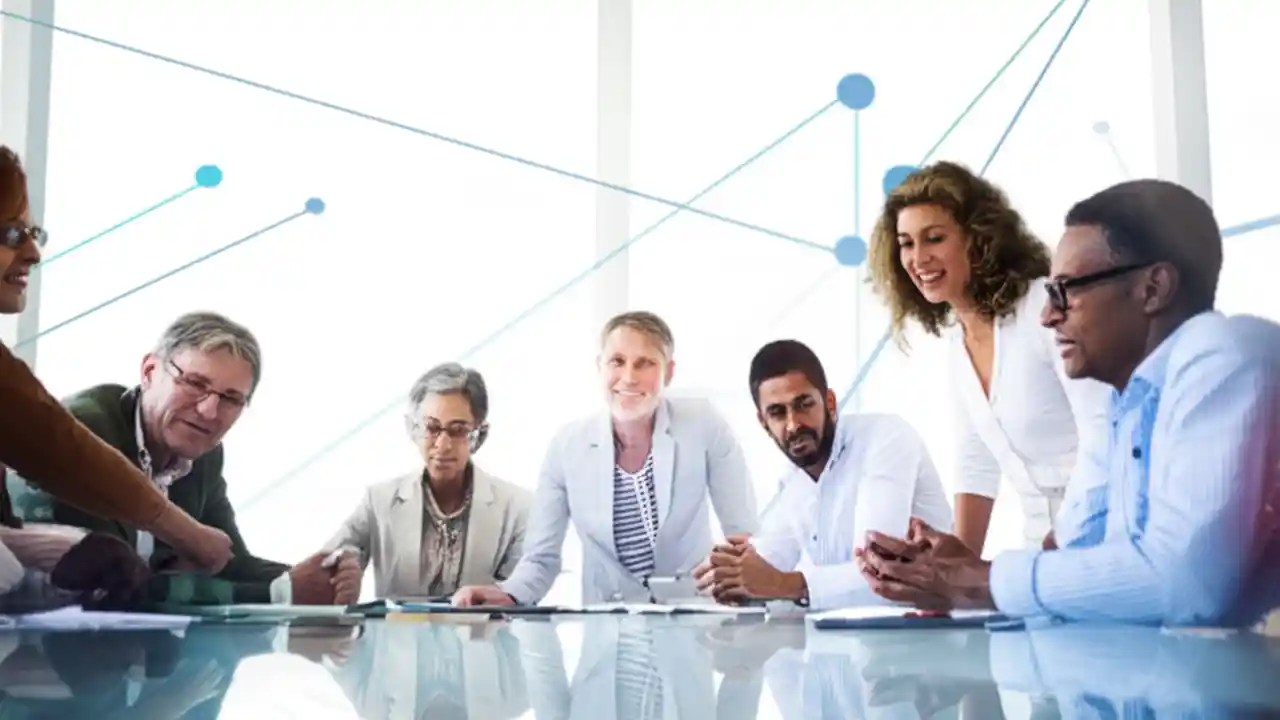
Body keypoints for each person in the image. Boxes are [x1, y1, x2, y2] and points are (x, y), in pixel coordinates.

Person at [857, 179, 1280, 627]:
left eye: (1065, 290)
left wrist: (982, 580)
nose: (1048, 313)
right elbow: (998, 479)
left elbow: (1185, 581)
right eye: (906, 243)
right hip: (1085, 577)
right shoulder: (1132, 398)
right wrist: (953, 570)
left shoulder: (1222, 356)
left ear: (1153, 288)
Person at [10, 311, 358, 604]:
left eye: (231, 399)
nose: (209, 412)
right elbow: (114, 587)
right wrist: (279, 592)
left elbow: (226, 561)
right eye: (194, 383)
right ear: (149, 372)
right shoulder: (86, 430)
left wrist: (318, 575)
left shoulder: (202, 452)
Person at [0, 144, 232, 579]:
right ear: (150, 372)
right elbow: (58, 447)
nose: (32, 253)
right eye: (12, 235)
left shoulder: (205, 460)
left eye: (33, 234)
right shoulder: (92, 419)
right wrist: (184, 535)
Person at [867, 161, 1110, 553]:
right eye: (907, 243)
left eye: (934, 238)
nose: (918, 258)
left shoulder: (1042, 307)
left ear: (978, 239)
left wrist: (1069, 533)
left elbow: (1105, 429)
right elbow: (975, 462)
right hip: (1041, 545)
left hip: (1107, 532)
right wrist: (953, 560)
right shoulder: (958, 344)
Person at [453, 311, 759, 606]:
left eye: (645, 363)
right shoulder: (567, 446)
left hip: (692, 621)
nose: (629, 377)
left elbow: (742, 536)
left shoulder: (703, 423)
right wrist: (507, 593)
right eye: (617, 361)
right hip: (607, 627)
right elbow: (540, 558)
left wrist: (741, 589)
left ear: (669, 372)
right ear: (600, 366)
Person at [694, 340, 952, 609]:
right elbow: (773, 556)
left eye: (804, 404)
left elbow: (883, 575)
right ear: (763, 423)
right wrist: (729, 569)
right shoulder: (793, 479)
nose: (793, 425)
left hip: (928, 627)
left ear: (829, 402)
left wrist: (783, 583)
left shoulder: (885, 439)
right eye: (778, 413)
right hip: (848, 631)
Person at [323, 362, 531, 599]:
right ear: (412, 429)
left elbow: (521, 594)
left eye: (458, 430)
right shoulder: (379, 501)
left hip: (481, 625)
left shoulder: (516, 509)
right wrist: (344, 566)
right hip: (397, 625)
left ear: (479, 435)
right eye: (432, 428)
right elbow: (329, 560)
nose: (443, 445)